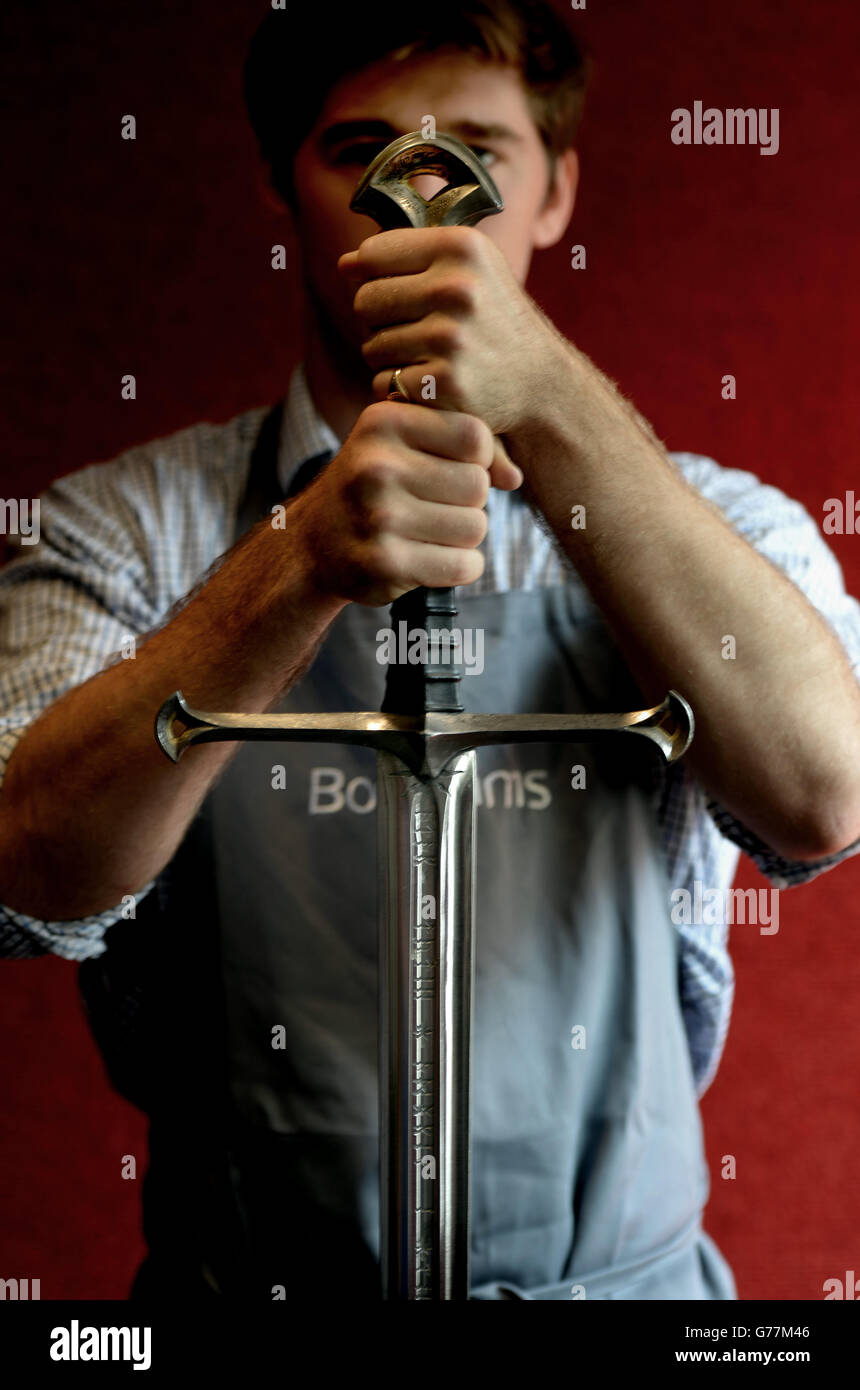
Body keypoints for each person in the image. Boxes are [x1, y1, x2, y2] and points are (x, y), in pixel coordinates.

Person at [2, 1, 860, 1301]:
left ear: (558, 191)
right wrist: (291, 567)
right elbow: (27, 871)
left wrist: (545, 391)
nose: (419, 203)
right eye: (359, 153)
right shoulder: (120, 528)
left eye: (474, 151)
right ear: (280, 187)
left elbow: (824, 792)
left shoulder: (727, 528)